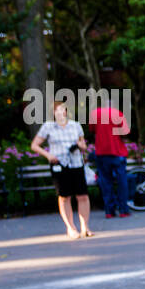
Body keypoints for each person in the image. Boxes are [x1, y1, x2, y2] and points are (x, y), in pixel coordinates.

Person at [32, 101, 93, 239]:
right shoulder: (48, 127)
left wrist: (80, 145)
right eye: (57, 110)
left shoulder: (75, 125)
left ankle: (85, 227)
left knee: (82, 195)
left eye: (62, 110)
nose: (60, 113)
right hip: (59, 164)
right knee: (64, 196)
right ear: (53, 113)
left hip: (76, 163)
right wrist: (49, 155)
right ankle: (71, 228)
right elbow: (35, 145)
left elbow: (83, 144)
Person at [89, 104, 132, 217]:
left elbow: (92, 130)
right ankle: (123, 210)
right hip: (117, 152)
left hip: (101, 153)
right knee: (122, 181)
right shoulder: (117, 113)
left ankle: (109, 211)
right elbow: (125, 132)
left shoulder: (95, 114)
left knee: (105, 182)